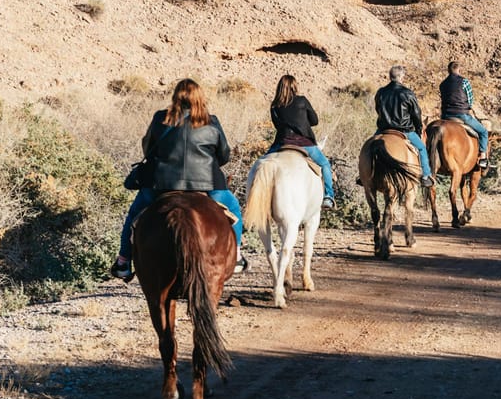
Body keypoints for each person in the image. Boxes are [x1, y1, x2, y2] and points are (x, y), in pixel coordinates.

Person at [109, 78, 247, 281]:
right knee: (233, 208)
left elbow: (147, 148)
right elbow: (224, 155)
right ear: (200, 97)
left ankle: (123, 261)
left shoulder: (160, 119)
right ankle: (236, 255)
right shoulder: (212, 121)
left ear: (176, 97)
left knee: (134, 214)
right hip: (207, 183)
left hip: (162, 183)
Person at [265, 74, 336, 209]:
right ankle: (328, 196)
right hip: (304, 143)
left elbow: (277, 126)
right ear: (294, 86)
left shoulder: (274, 105)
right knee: (325, 164)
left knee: (261, 164)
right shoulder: (302, 101)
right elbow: (315, 120)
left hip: (283, 142)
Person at [374, 65, 434, 187]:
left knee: (370, 146)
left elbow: (378, 109)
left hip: (383, 130)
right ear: (401, 77)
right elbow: (416, 114)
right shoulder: (407, 93)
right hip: (404, 130)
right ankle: (426, 176)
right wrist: (418, 129)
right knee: (422, 148)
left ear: (390, 77)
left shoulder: (381, 92)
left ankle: (364, 175)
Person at [439, 61, 489, 169]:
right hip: (462, 114)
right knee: (483, 132)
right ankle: (483, 157)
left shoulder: (442, 84)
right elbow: (470, 99)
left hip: (446, 116)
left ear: (448, 70)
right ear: (459, 70)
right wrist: (468, 107)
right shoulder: (464, 82)